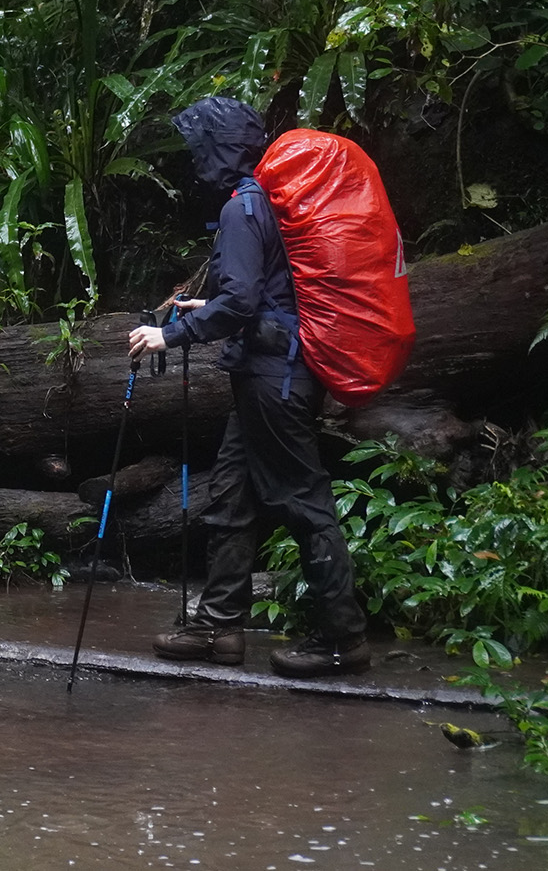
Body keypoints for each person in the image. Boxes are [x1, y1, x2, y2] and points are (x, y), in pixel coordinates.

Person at [127, 96, 371, 678]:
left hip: (274, 379)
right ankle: (219, 627)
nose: (193, 162)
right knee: (231, 498)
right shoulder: (267, 203)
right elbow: (265, 293)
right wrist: (206, 306)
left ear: (218, 150)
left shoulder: (244, 207)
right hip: (268, 370)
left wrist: (174, 335)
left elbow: (241, 302)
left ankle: (344, 639)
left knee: (302, 501)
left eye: (198, 149)